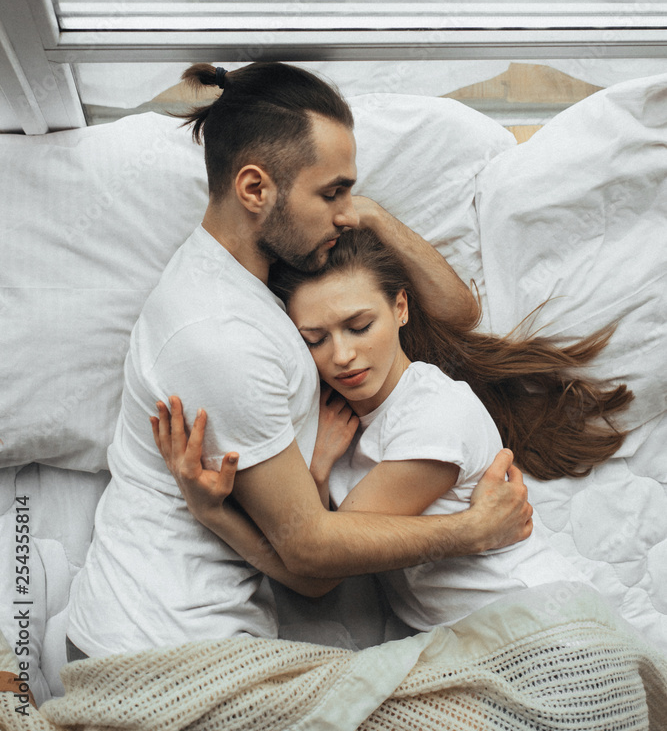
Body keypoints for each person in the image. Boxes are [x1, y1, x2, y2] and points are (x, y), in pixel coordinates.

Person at [66, 61, 531, 661]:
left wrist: (372, 218)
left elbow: (456, 312)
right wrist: (472, 532)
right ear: (255, 190)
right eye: (333, 192)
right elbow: (311, 555)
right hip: (160, 645)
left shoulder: (270, 280)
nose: (346, 211)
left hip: (195, 636)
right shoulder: (218, 333)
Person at [153, 227, 633, 625]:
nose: (342, 356)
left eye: (359, 326)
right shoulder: (332, 423)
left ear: (400, 308)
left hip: (542, 628)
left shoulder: (433, 416)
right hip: (481, 640)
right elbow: (323, 542)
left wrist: (212, 513)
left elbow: (319, 572)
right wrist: (317, 472)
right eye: (315, 340)